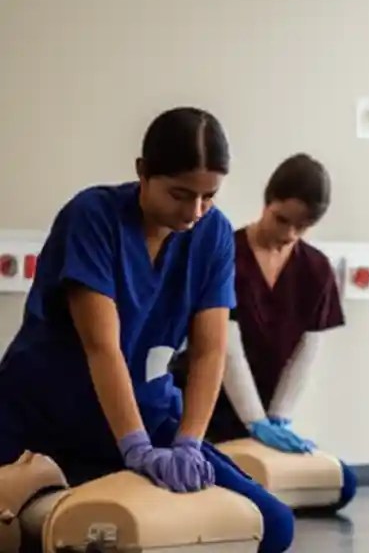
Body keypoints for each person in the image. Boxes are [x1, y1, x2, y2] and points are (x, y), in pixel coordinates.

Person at [0, 107, 293, 553]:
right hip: (45, 421)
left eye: (208, 196)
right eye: (180, 194)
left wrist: (190, 442)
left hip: (150, 416)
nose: (194, 211)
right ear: (142, 172)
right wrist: (134, 448)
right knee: (79, 531)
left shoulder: (212, 234)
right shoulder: (92, 217)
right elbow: (103, 347)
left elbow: (209, 352)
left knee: (271, 527)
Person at [172, 153, 357, 514]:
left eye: (300, 228)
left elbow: (306, 352)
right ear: (267, 201)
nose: (288, 234)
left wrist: (277, 419)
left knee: (344, 482)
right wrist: (254, 421)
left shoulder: (316, 269)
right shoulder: (228, 253)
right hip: (209, 406)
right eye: (282, 219)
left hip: (266, 416)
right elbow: (226, 350)